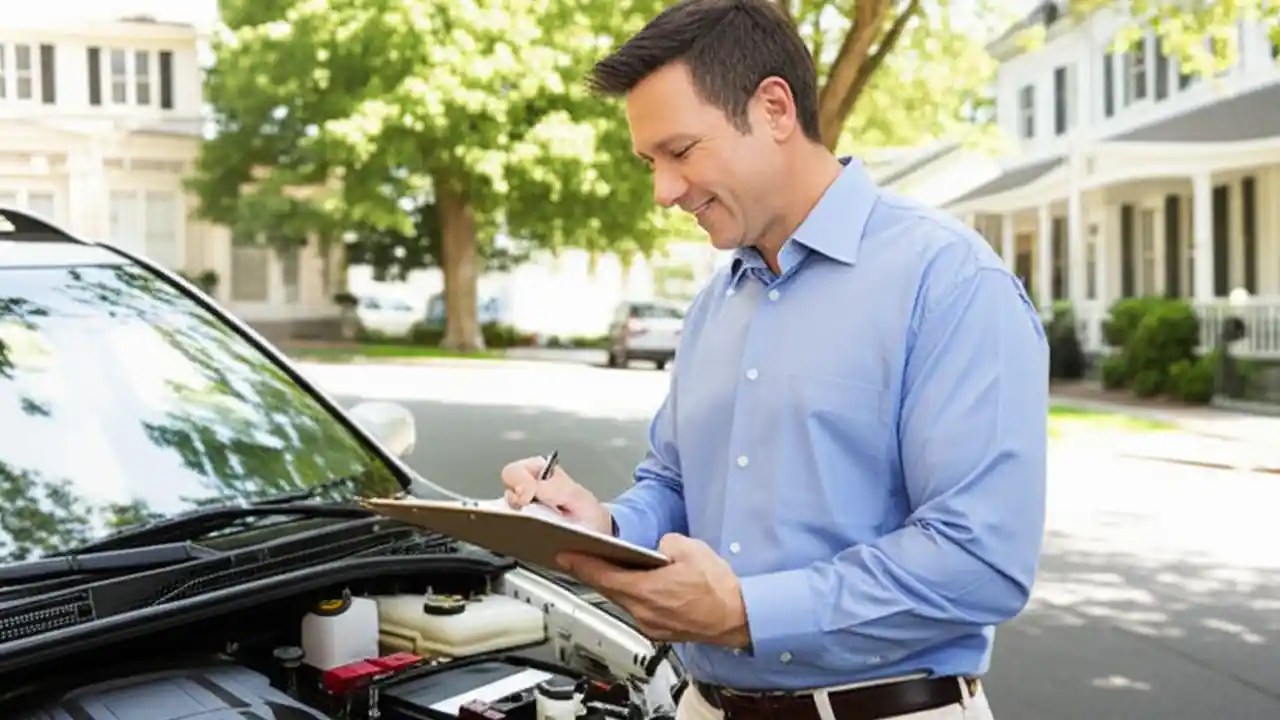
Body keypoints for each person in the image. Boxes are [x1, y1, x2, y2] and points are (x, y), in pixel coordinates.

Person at [502, 0, 1049, 717]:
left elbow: (980, 564)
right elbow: (673, 484)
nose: (663, 192)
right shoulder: (714, 303)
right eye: (649, 162)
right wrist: (603, 525)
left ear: (774, 109)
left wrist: (745, 611)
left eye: (680, 151)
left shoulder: (948, 283)